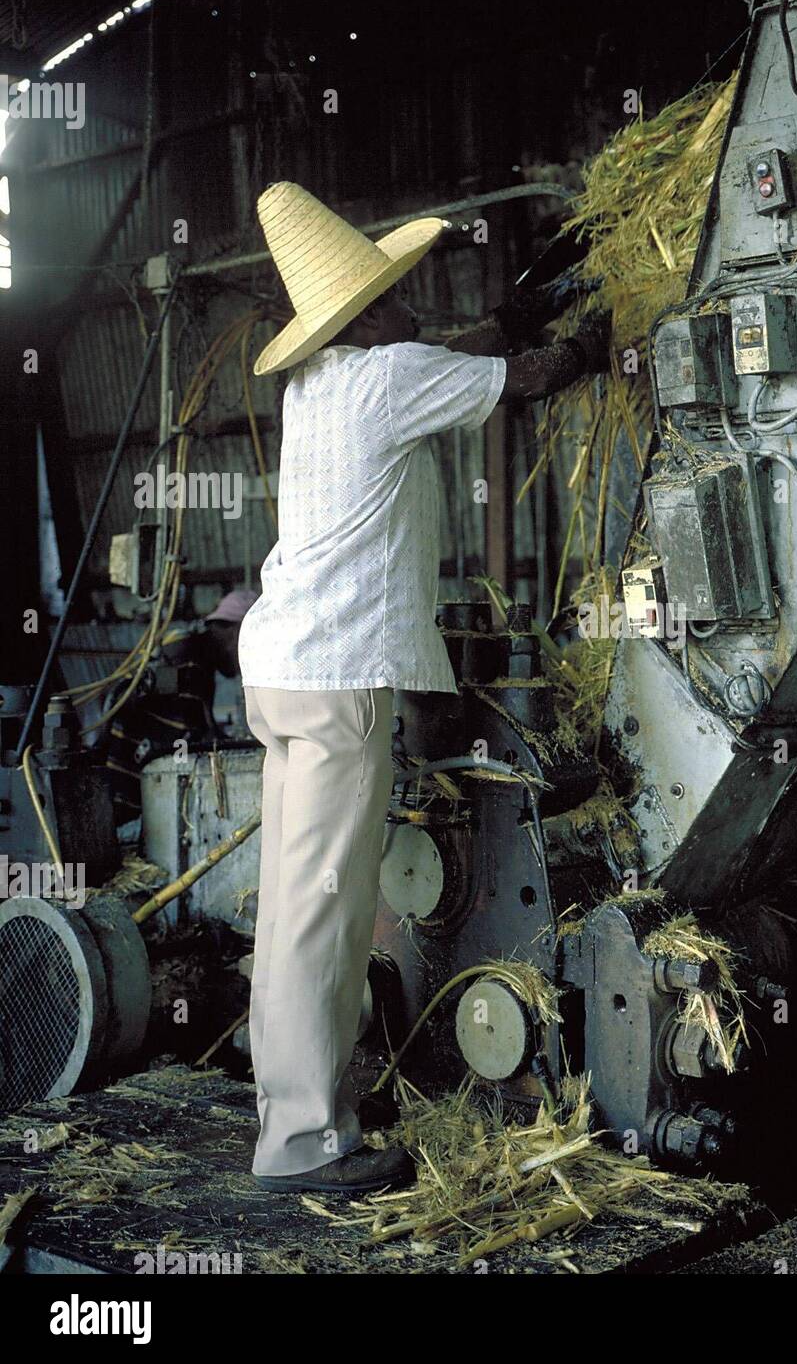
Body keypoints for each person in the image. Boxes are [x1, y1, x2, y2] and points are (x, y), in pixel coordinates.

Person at [237, 182, 608, 1193]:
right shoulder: (388, 375)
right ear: (363, 315)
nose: (410, 303)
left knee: (293, 912)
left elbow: (460, 350)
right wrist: (592, 337)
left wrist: (521, 312)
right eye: (392, 292)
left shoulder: (322, 383)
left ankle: (289, 1111)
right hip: (338, 675)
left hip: (281, 672)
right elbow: (517, 378)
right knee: (326, 916)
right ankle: (305, 1146)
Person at [104, 588, 258, 825]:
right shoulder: (187, 656)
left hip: (130, 787)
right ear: (238, 630)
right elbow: (187, 732)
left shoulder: (194, 653)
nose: (245, 661)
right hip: (127, 789)